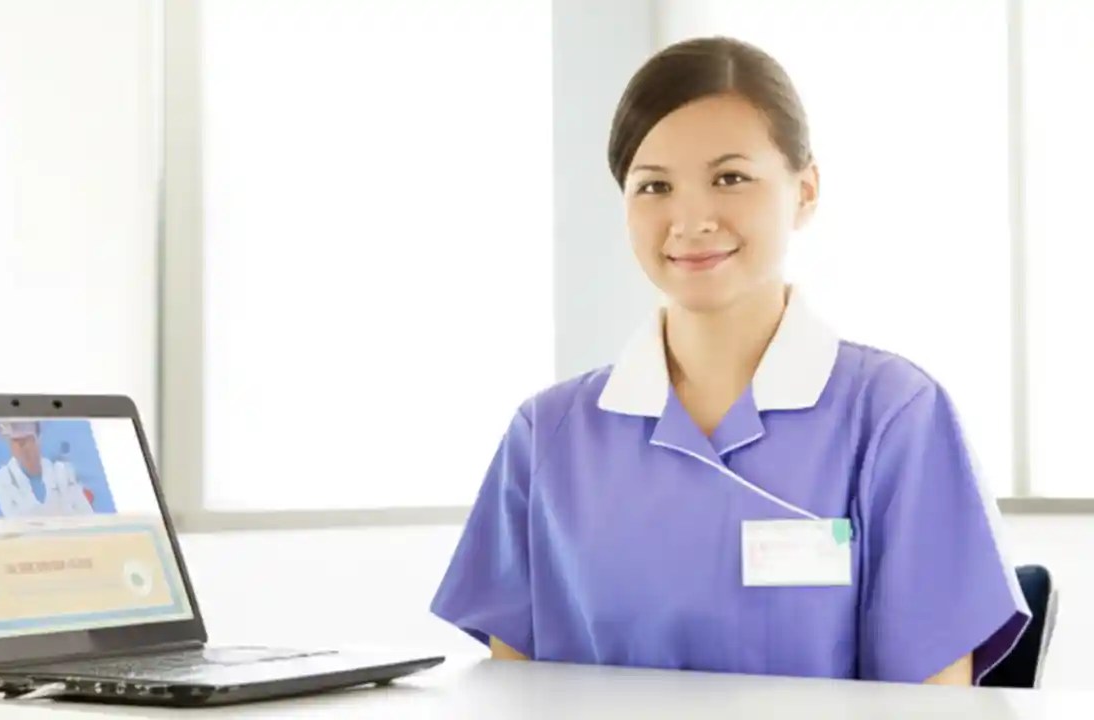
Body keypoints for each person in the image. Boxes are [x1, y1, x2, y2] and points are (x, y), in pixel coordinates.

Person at [430, 36, 1030, 686]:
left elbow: (932, 707)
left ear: (805, 190)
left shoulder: (896, 418)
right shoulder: (547, 436)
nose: (689, 219)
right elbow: (514, 696)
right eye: (654, 186)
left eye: (730, 178)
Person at [0, 421, 93, 518]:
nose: (23, 449)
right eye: (16, 442)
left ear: (37, 441)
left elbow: (86, 513)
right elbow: (13, 520)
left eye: (27, 441)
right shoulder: (4, 479)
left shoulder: (63, 472)